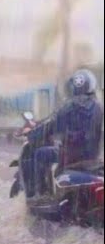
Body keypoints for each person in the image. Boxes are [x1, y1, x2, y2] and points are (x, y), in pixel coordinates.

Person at [22, 69, 104, 200]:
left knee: (40, 154)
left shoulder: (69, 107)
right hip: (93, 158)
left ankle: (41, 195)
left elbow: (50, 125)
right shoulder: (99, 107)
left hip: (71, 156)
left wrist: (32, 134)